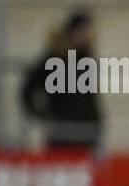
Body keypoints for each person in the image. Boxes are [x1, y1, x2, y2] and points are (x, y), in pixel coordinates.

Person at [18, 11, 104, 150]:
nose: (87, 35)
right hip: (62, 136)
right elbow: (28, 88)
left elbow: (89, 99)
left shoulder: (86, 58)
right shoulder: (55, 59)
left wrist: (97, 124)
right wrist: (42, 115)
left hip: (87, 135)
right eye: (83, 30)